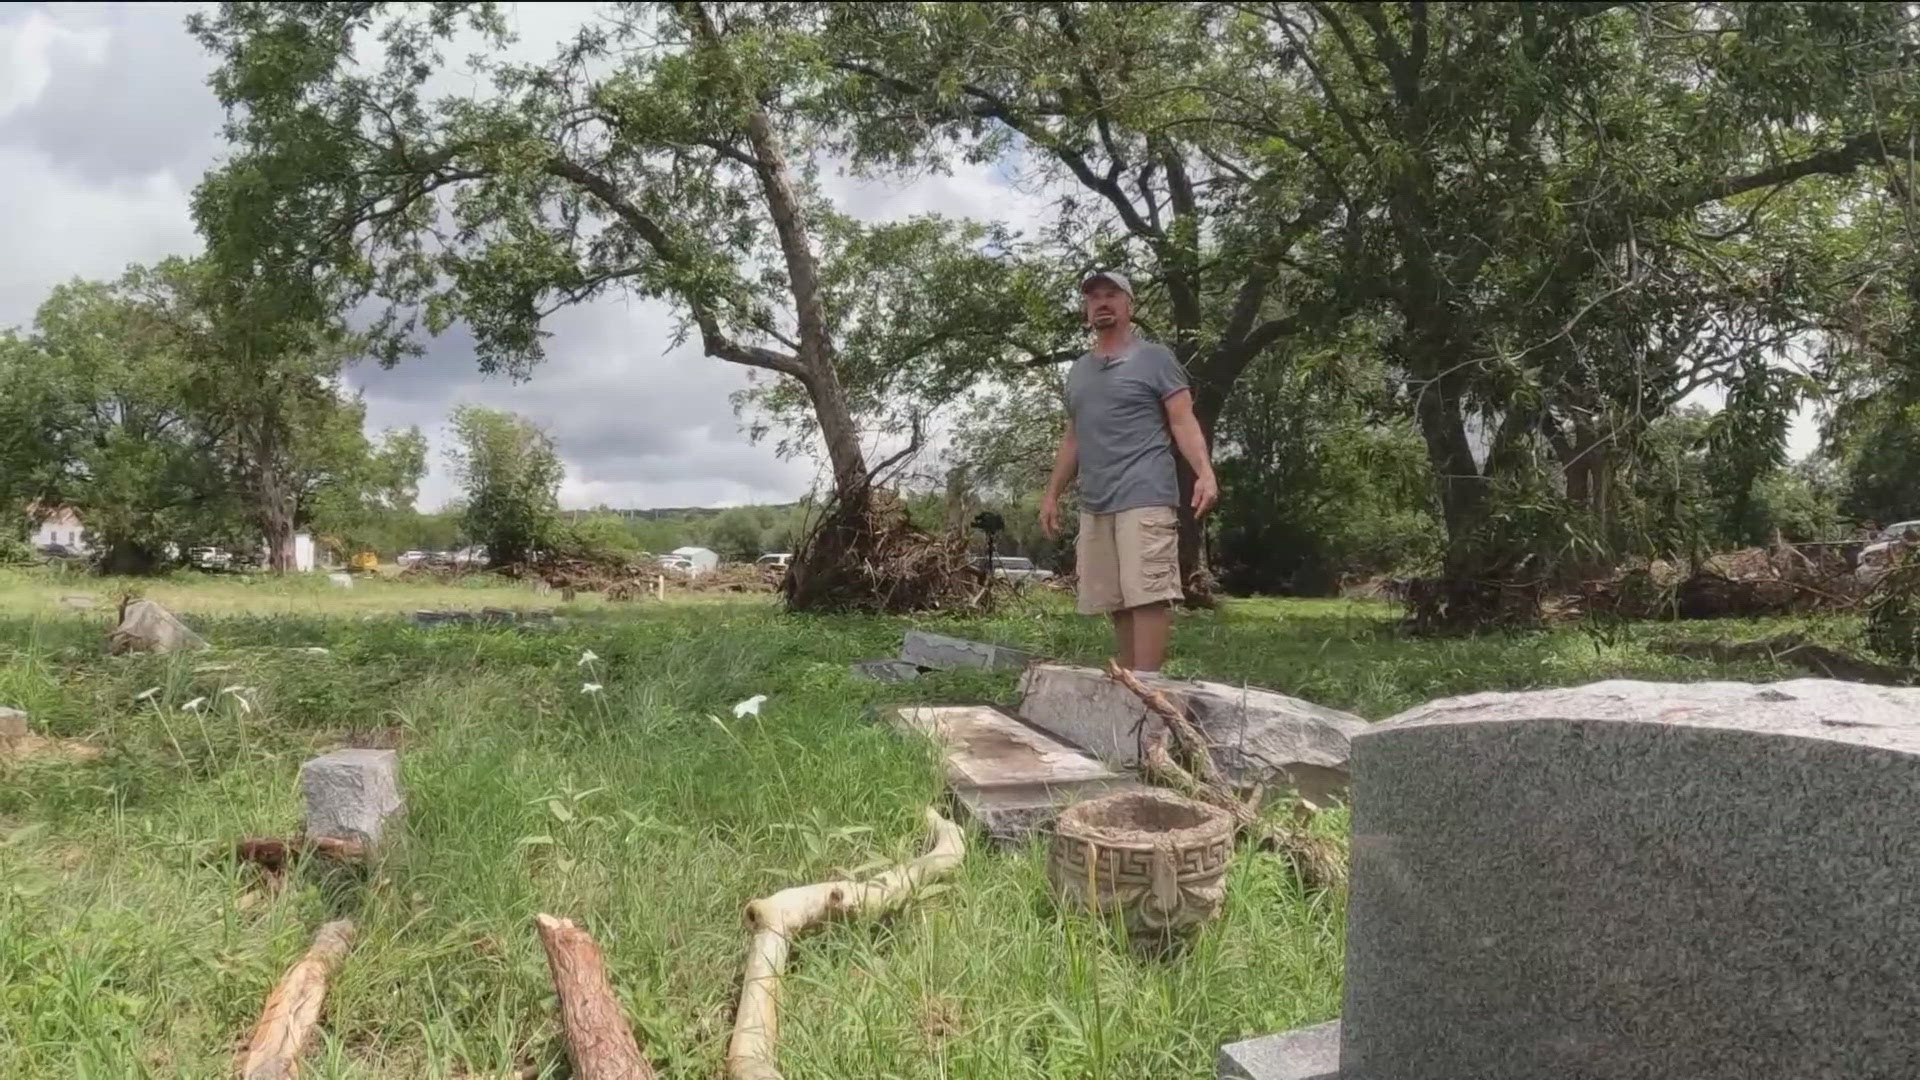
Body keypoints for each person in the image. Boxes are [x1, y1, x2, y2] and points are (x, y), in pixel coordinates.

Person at [1040, 270, 1217, 677]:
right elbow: (1074, 437)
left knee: (1148, 594)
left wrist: (1205, 473)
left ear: (1128, 305)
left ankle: (1151, 690)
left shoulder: (1154, 358)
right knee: (1116, 598)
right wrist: (1052, 494)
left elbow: (1183, 420)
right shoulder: (1080, 370)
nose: (1102, 302)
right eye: (1093, 297)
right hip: (1096, 499)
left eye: (1111, 295)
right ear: (1086, 310)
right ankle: (1128, 685)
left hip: (1145, 491)